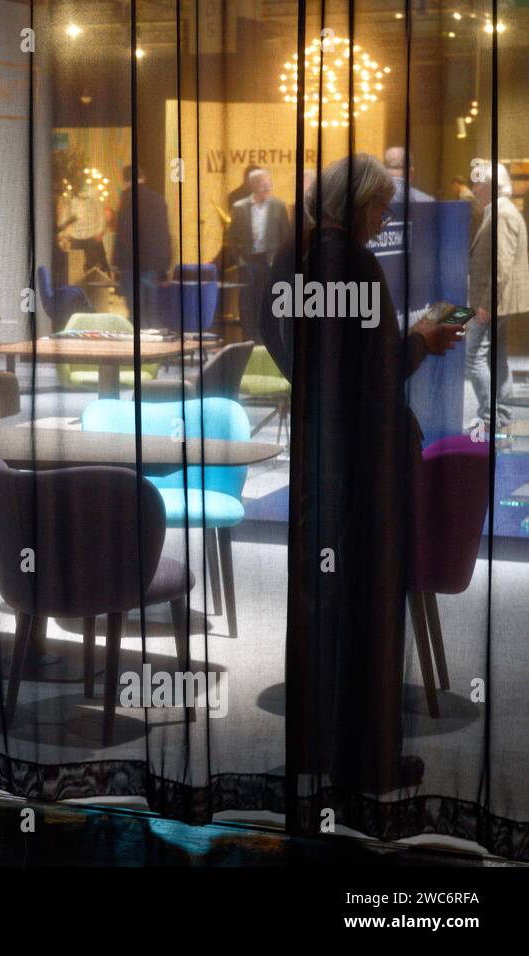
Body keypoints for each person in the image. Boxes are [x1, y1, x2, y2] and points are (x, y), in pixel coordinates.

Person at [263, 155, 462, 799]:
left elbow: (284, 339)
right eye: (379, 208)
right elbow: (374, 375)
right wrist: (423, 341)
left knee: (325, 605)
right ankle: (364, 763)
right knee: (369, 608)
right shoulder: (354, 264)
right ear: (355, 203)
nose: (383, 221)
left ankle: (321, 756)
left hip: (320, 453)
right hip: (365, 464)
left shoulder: (291, 257)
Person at [466, 161, 529, 437]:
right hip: (500, 300)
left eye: (478, 182)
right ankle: (500, 413)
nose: (473, 188)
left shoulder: (501, 214)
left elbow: (499, 264)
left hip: (493, 301)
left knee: (474, 358)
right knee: (497, 355)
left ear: (490, 185)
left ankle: (490, 416)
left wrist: (485, 304)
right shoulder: (500, 211)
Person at [228, 168, 291, 342]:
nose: (266, 186)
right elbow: (231, 237)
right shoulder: (239, 207)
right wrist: (239, 259)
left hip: (269, 260)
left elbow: (285, 235)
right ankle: (248, 337)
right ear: (252, 185)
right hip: (248, 261)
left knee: (266, 299)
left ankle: (265, 337)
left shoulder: (278, 206)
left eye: (268, 183)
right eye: (262, 183)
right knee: (247, 300)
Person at [111, 165, 170, 321]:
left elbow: (123, 234)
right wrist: (164, 265)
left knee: (134, 310)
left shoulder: (127, 198)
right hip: (153, 264)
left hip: (130, 264)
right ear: (144, 177)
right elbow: (164, 235)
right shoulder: (159, 200)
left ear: (125, 180)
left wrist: (116, 262)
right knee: (152, 310)